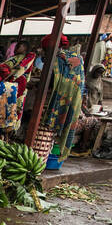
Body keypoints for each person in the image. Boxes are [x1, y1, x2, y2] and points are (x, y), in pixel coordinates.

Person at [38, 34, 85, 162]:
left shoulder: (57, 60)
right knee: (53, 132)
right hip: (74, 100)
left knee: (46, 128)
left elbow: (51, 81)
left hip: (58, 99)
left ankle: (40, 159)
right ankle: (45, 157)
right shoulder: (76, 57)